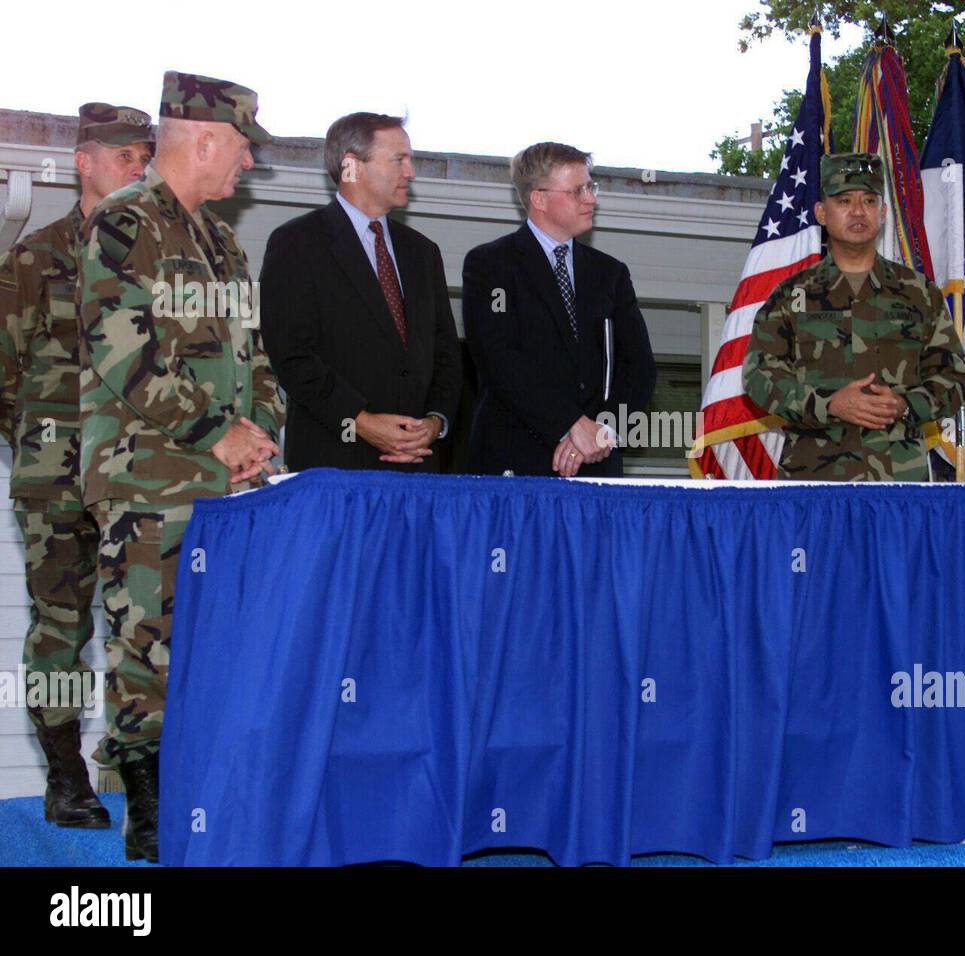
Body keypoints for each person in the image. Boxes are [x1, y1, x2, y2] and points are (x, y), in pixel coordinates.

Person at [76, 71, 285, 861]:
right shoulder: (123, 223)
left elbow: (255, 357)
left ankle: (209, 799)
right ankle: (149, 823)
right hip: (146, 479)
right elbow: (119, 350)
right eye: (242, 149)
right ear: (202, 138)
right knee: (149, 644)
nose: (248, 167)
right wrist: (214, 431)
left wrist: (259, 433)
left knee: (219, 645)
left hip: (229, 487)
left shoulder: (223, 242)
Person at [0, 103, 153, 830]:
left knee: (144, 629)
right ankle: (67, 779)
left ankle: (137, 772)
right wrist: (46, 443)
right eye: (124, 155)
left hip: (143, 479)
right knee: (61, 627)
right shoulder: (34, 257)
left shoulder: (156, 260)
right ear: (84, 161)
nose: (138, 167)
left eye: (144, 155)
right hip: (56, 480)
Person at [743, 152, 965, 480]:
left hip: (898, 482)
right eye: (844, 200)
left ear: (883, 213)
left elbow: (956, 377)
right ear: (822, 212)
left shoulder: (918, 293)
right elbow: (759, 377)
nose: (858, 211)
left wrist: (906, 405)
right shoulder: (792, 295)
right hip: (815, 482)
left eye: (868, 200)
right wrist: (829, 405)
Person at [259, 113, 461, 472]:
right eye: (399, 160)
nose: (410, 172)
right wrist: (361, 421)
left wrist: (434, 422)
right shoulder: (297, 243)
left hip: (419, 466)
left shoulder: (423, 252)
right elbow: (290, 353)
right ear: (351, 166)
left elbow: (446, 353)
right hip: (335, 465)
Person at [461, 141, 655, 477]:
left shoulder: (610, 274)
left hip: (597, 467)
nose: (591, 198)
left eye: (590, 187)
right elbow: (499, 359)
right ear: (539, 198)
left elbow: (639, 368)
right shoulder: (491, 265)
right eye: (577, 190)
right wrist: (570, 425)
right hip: (514, 468)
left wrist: (600, 432)